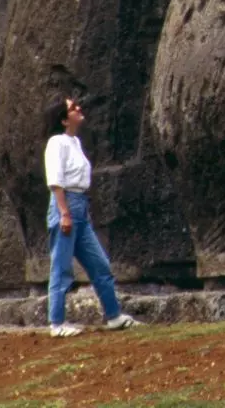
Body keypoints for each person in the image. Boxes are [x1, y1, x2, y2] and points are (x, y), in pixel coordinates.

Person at [42, 96, 139, 337]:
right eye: (73, 108)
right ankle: (56, 323)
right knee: (61, 267)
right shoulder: (57, 143)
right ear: (64, 120)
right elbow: (55, 181)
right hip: (66, 206)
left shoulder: (74, 142)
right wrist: (64, 213)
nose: (79, 108)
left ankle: (114, 316)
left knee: (100, 265)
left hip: (80, 208)